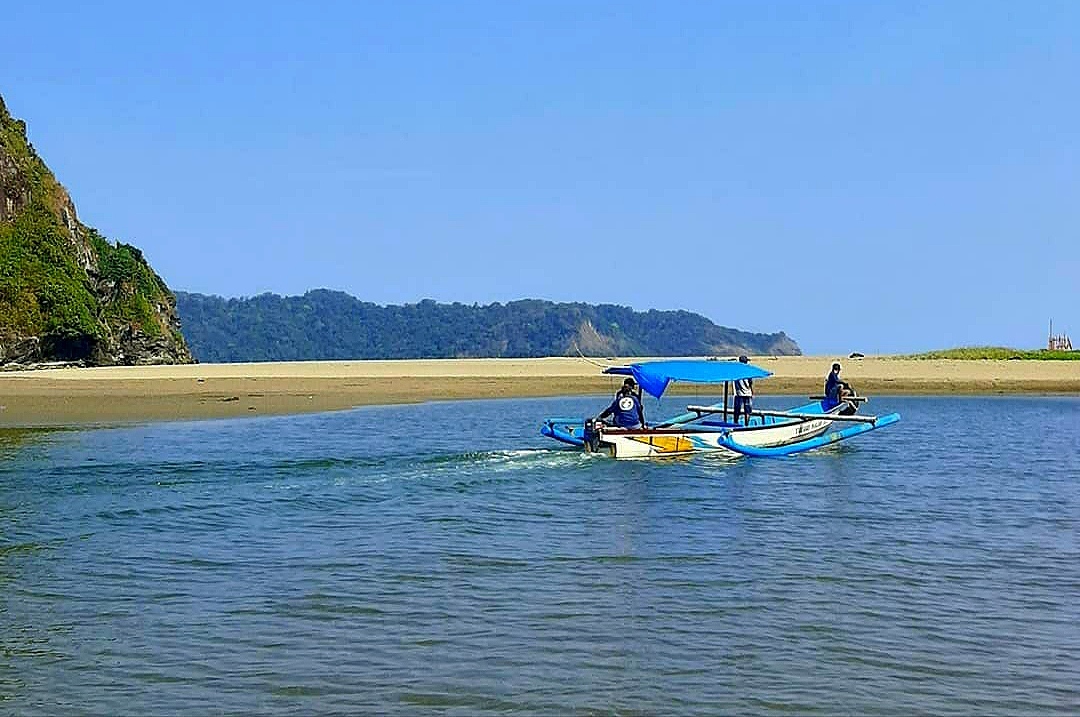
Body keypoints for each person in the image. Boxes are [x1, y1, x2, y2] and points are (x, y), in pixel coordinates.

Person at [732, 355, 753, 426]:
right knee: (747, 411)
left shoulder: (736, 371)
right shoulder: (748, 371)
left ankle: (735, 423)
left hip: (738, 394)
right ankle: (746, 425)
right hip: (747, 393)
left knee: (737, 410)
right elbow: (750, 382)